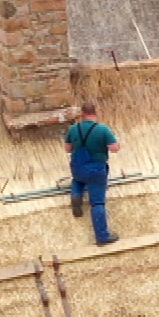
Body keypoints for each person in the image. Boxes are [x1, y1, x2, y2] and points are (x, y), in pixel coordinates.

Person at [64, 102, 120, 245]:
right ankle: (102, 237)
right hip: (96, 170)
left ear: (82, 113)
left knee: (78, 179)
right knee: (97, 203)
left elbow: (67, 149)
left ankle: (76, 194)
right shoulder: (103, 129)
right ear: (95, 112)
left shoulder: (73, 128)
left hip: (78, 168)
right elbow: (114, 148)